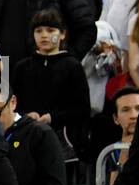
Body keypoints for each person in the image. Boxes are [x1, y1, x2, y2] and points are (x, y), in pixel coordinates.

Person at [14, 8, 92, 156]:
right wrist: (26, 115)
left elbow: (82, 109)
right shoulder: (22, 67)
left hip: (63, 141)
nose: (44, 35)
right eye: (39, 31)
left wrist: (53, 117)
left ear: (62, 34)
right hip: (27, 137)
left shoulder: (72, 66)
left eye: (50, 30)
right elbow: (13, 104)